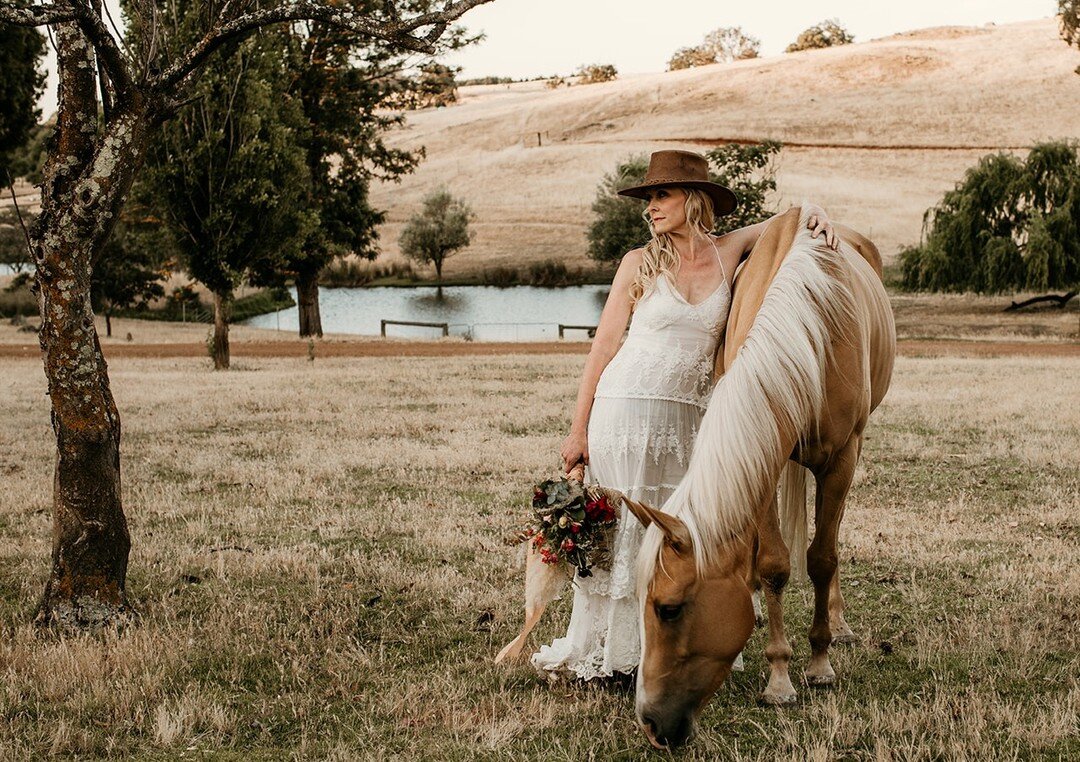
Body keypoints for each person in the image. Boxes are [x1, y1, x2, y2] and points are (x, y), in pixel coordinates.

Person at [531, 149, 837, 681]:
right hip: (622, 412)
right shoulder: (637, 262)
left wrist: (818, 214)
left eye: (661, 195)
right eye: (648, 198)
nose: (650, 207)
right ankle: (614, 654)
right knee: (623, 534)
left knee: (681, 534)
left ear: (694, 200)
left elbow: (787, 220)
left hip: (691, 421)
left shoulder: (731, 251)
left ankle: (682, 641)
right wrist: (578, 430)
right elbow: (603, 348)